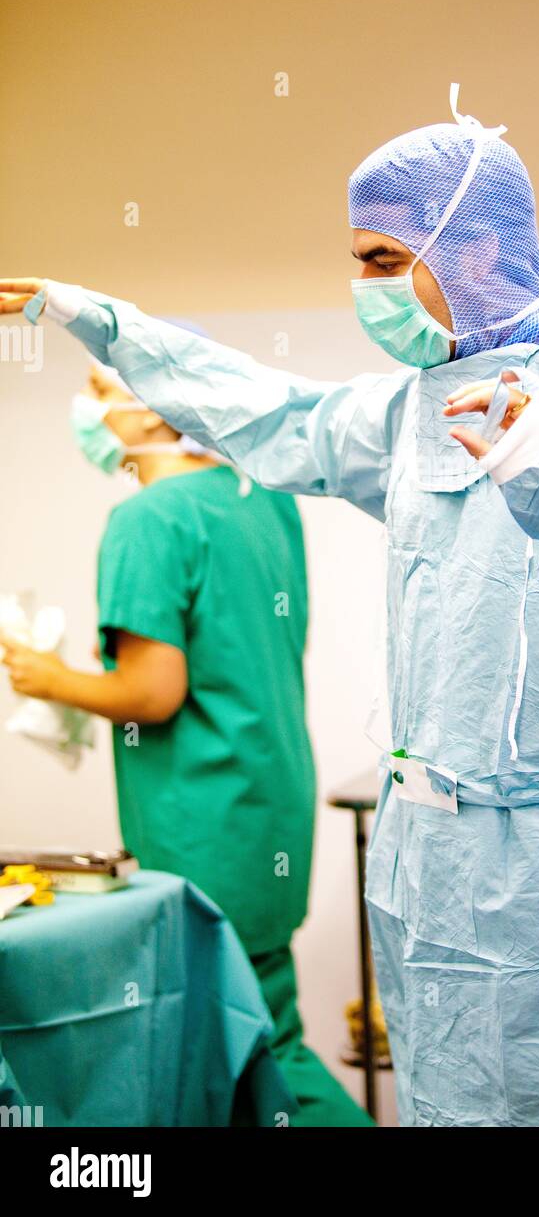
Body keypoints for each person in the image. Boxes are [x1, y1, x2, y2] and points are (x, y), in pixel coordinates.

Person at [0, 88, 539, 1127]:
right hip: (457, 889)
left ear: (470, 248)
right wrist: (101, 321)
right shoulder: (411, 412)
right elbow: (267, 410)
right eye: (357, 261)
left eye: (383, 260)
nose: (362, 288)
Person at [1, 354, 373, 1129]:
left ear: (154, 413)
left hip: (204, 825)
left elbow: (152, 692)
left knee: (258, 1050)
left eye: (100, 389)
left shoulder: (148, 517)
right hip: (268, 810)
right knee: (254, 1032)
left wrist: (46, 679)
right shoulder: (263, 502)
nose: (87, 408)